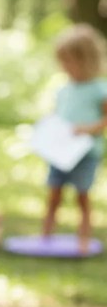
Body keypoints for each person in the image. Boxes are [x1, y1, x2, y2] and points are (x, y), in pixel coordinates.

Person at [41, 24, 107, 253]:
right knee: (54, 194)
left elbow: (104, 121)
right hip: (61, 152)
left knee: (82, 196)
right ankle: (45, 236)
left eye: (69, 61)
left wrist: (88, 129)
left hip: (85, 154)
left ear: (86, 59)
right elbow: (58, 117)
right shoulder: (64, 89)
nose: (65, 67)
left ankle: (84, 238)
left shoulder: (99, 89)